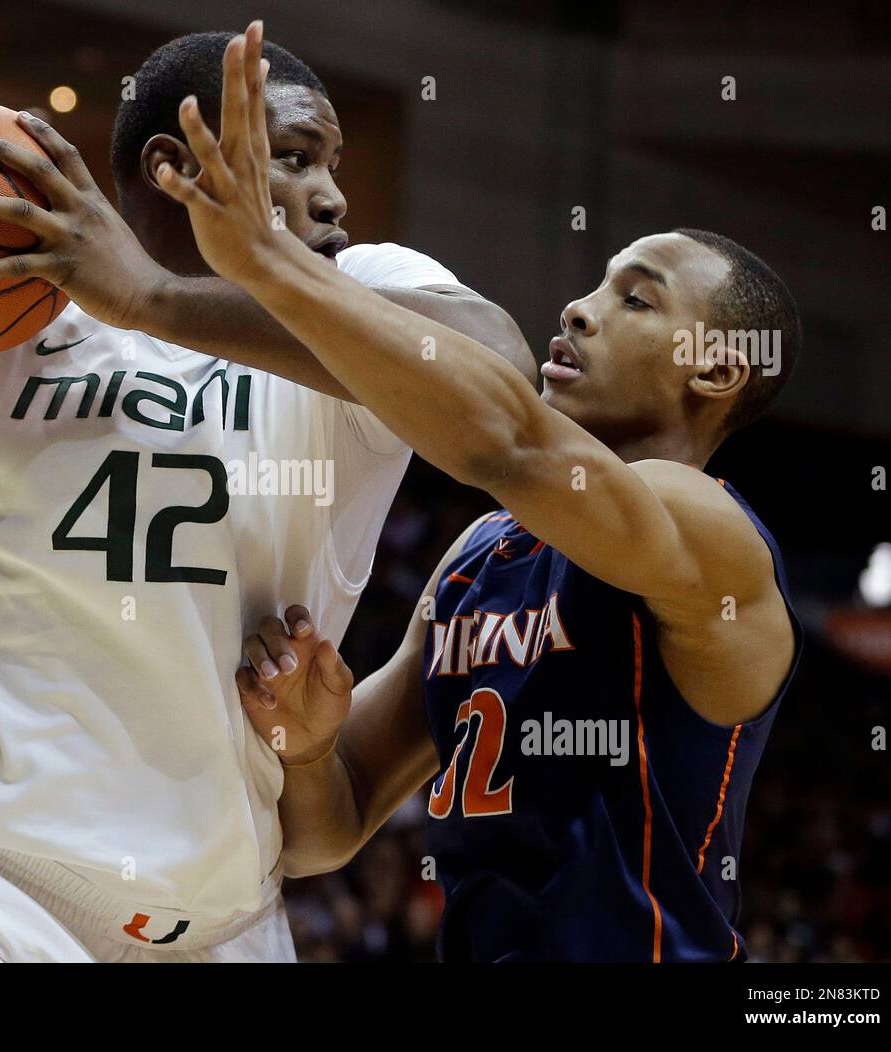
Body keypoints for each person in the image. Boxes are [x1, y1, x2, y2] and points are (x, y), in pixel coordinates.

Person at [0, 23, 533, 962]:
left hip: (223, 915)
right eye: (293, 158)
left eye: (333, 163)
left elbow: (501, 382)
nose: (332, 194)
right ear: (174, 169)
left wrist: (149, 299)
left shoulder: (356, 295)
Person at [160, 27, 803, 961]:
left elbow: (503, 443)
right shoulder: (480, 559)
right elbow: (323, 833)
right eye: (595, 283)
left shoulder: (713, 533)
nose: (579, 308)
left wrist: (263, 263)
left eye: (637, 299)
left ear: (715, 371)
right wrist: (304, 748)